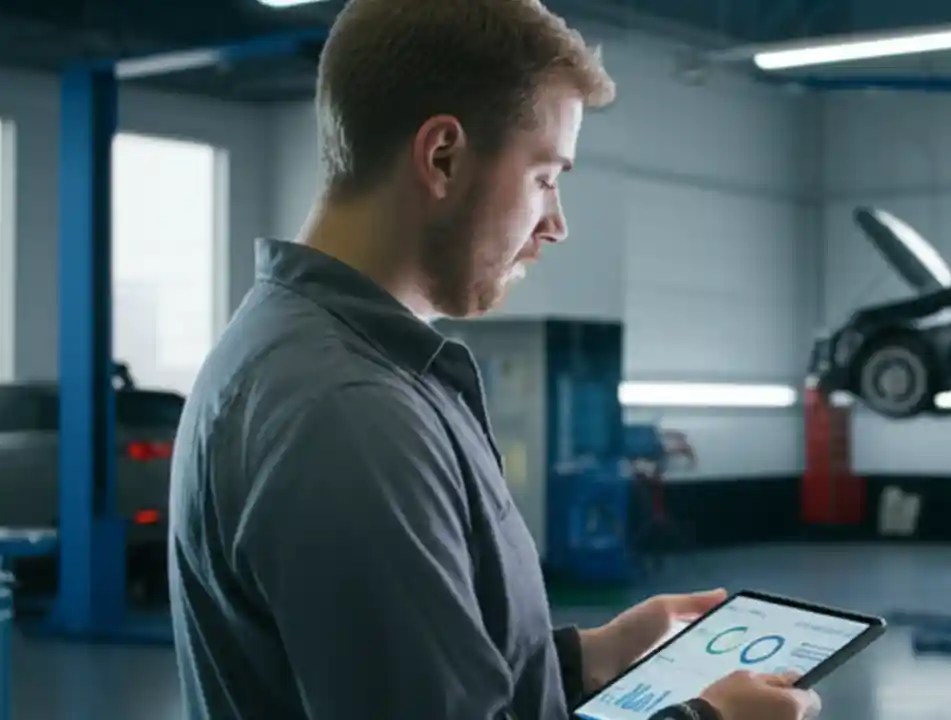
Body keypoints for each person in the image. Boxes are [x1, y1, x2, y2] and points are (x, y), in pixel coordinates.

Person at [167, 1, 822, 719]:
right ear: (442, 155)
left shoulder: (315, 355)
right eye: (545, 176)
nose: (557, 224)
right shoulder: (349, 410)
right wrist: (709, 719)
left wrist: (587, 658)